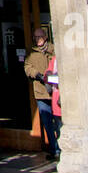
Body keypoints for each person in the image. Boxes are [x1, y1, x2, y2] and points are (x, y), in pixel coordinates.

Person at [23, 27, 59, 161]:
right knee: (47, 122)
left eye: (40, 37)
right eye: (36, 37)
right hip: (40, 91)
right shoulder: (32, 53)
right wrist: (37, 75)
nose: (38, 40)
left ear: (45, 37)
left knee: (58, 122)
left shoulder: (54, 50)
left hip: (55, 91)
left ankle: (62, 149)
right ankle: (54, 149)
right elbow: (27, 67)